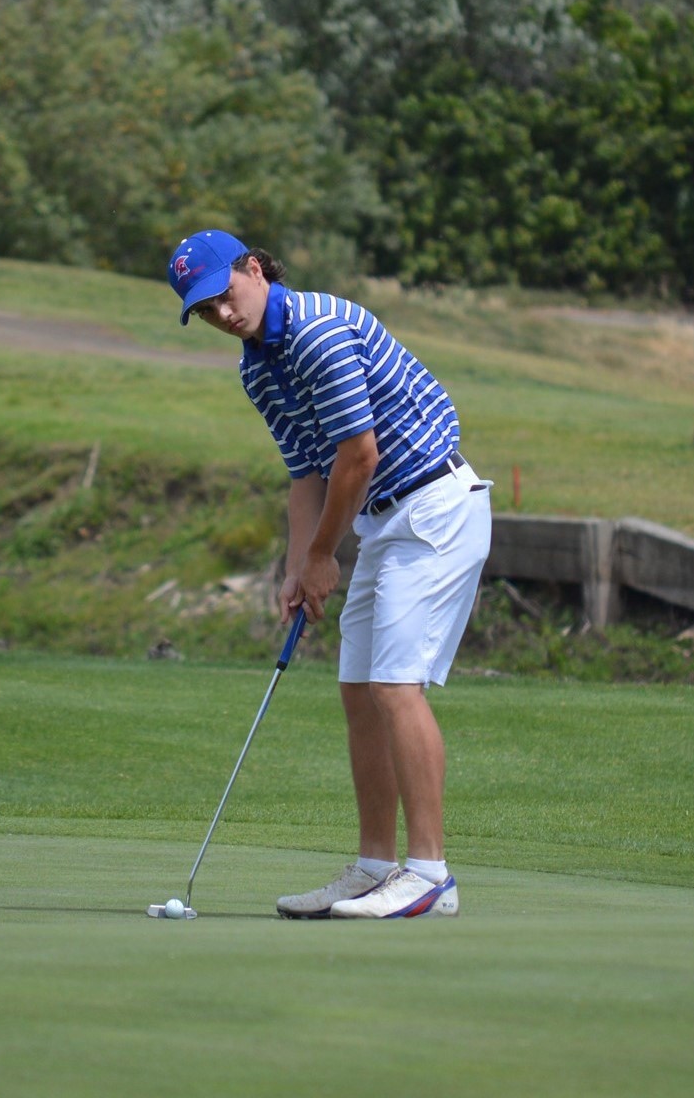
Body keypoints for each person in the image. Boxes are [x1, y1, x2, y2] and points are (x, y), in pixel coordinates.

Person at [167, 229, 492, 919]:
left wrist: (323, 556)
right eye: (206, 311)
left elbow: (359, 455)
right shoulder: (258, 369)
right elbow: (306, 474)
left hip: (433, 505)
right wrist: (296, 565)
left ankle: (430, 873)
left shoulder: (319, 329)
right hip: (385, 522)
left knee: (394, 685)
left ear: (254, 269)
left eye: (225, 294)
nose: (223, 315)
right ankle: (376, 867)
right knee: (357, 690)